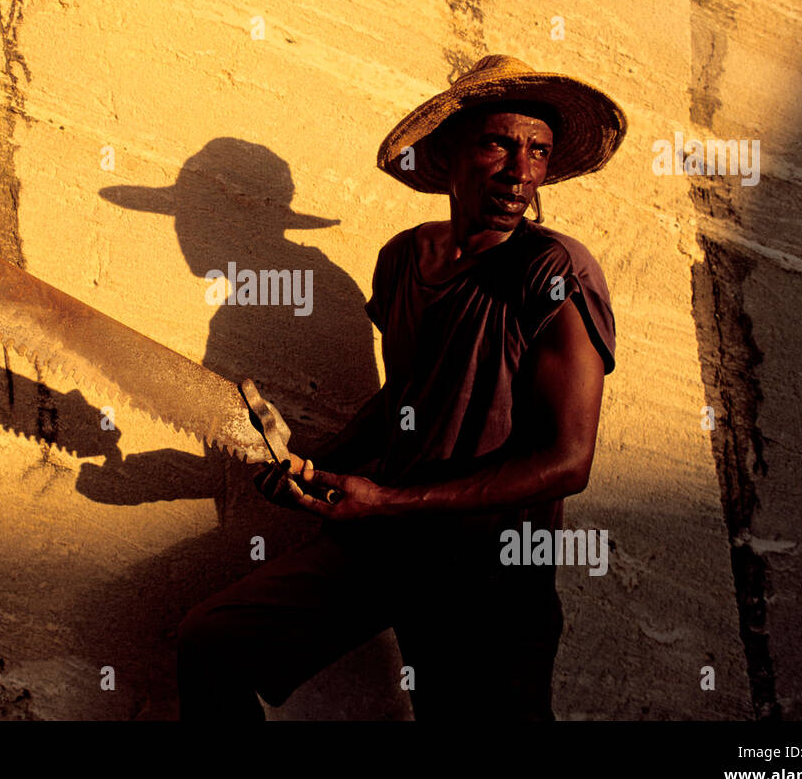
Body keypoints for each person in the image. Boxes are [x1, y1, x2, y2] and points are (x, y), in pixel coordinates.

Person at [176, 54, 626, 721]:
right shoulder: (404, 260)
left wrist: (390, 499)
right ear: (450, 153)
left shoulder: (554, 268)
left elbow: (569, 460)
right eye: (499, 143)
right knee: (211, 642)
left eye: (538, 151)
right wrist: (314, 465)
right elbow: (409, 399)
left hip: (489, 573)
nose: (520, 171)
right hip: (387, 545)